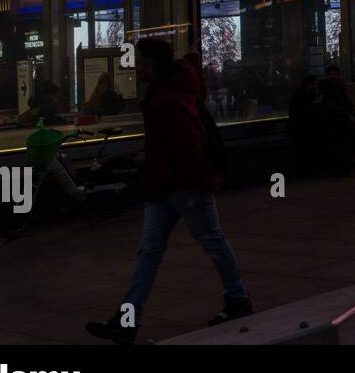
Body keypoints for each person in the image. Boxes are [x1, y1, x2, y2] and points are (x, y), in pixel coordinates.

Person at [86, 39, 251, 344]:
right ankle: (127, 320)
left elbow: (189, 144)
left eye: (138, 60)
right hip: (167, 186)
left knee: (202, 243)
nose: (134, 67)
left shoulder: (166, 96)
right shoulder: (171, 89)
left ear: (150, 63)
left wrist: (184, 181)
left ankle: (238, 299)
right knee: (163, 250)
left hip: (179, 186)